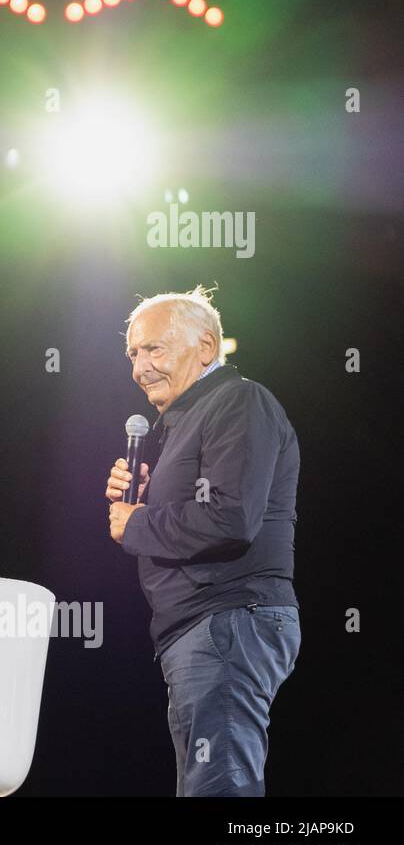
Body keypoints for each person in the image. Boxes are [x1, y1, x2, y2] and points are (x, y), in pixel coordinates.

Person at [104, 286, 300, 796]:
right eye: (132, 353)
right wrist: (147, 503)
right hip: (202, 627)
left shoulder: (238, 400)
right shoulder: (188, 422)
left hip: (229, 617)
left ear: (207, 349)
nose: (139, 367)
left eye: (153, 349)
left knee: (219, 789)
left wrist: (139, 524)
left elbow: (232, 518)